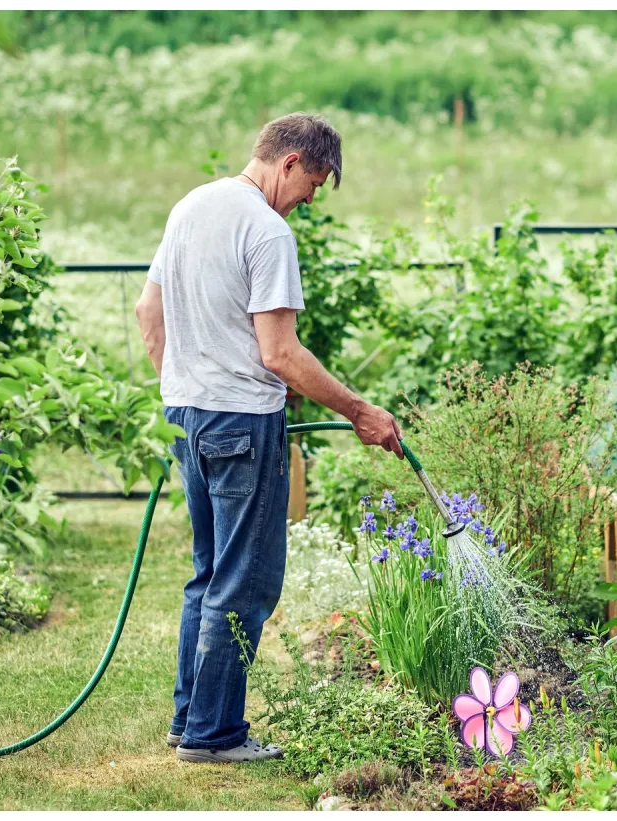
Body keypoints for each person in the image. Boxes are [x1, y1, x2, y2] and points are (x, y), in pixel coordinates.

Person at [133, 112, 404, 764]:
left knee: (209, 573)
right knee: (246, 582)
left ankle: (189, 718)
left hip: (190, 418)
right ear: (289, 163)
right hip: (242, 426)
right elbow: (280, 352)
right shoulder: (267, 230)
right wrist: (359, 410)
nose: (309, 201)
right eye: (311, 184)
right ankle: (214, 733)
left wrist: (185, 384)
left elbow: (148, 310)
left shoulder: (191, 205)